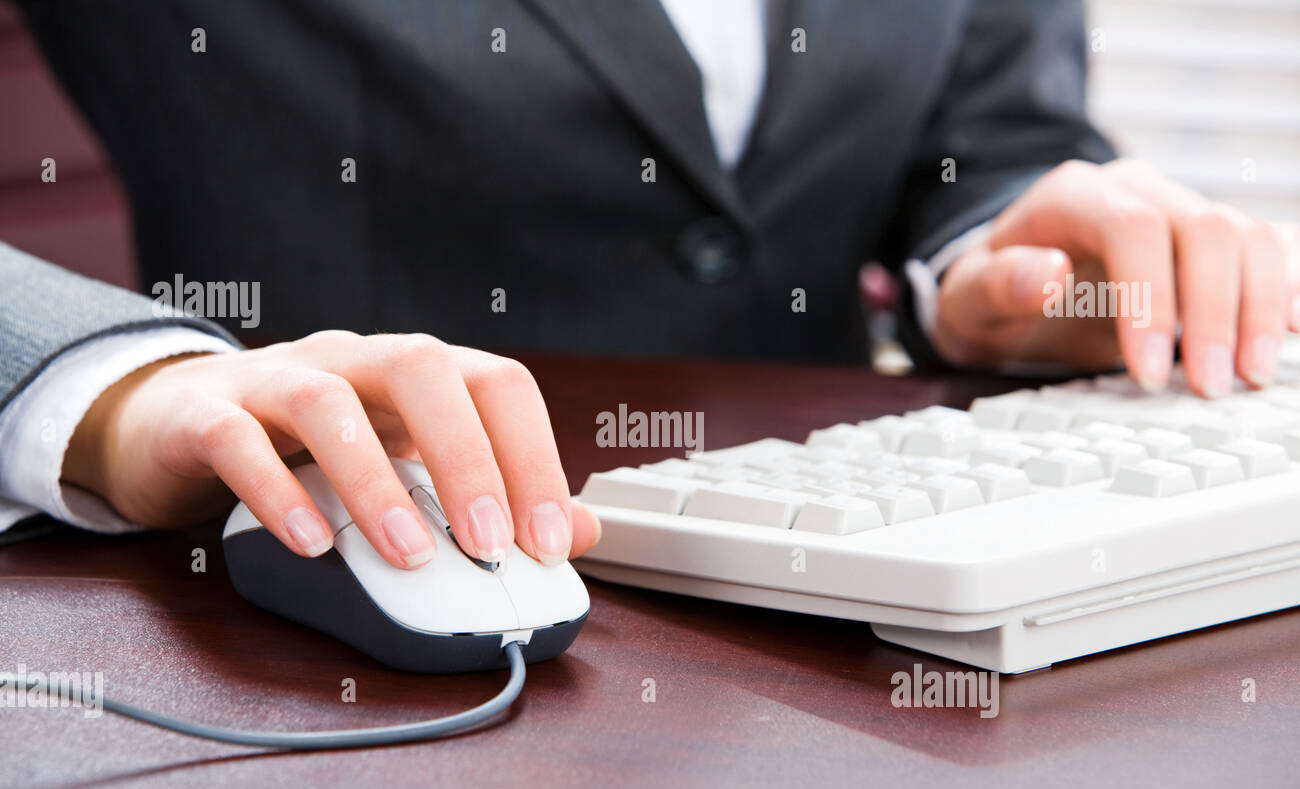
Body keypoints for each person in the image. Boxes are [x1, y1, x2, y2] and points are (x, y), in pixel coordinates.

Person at [2, 0, 1296, 572]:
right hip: (368, 619)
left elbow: (992, 137)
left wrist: (1001, 265)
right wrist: (114, 390)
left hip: (860, 613)